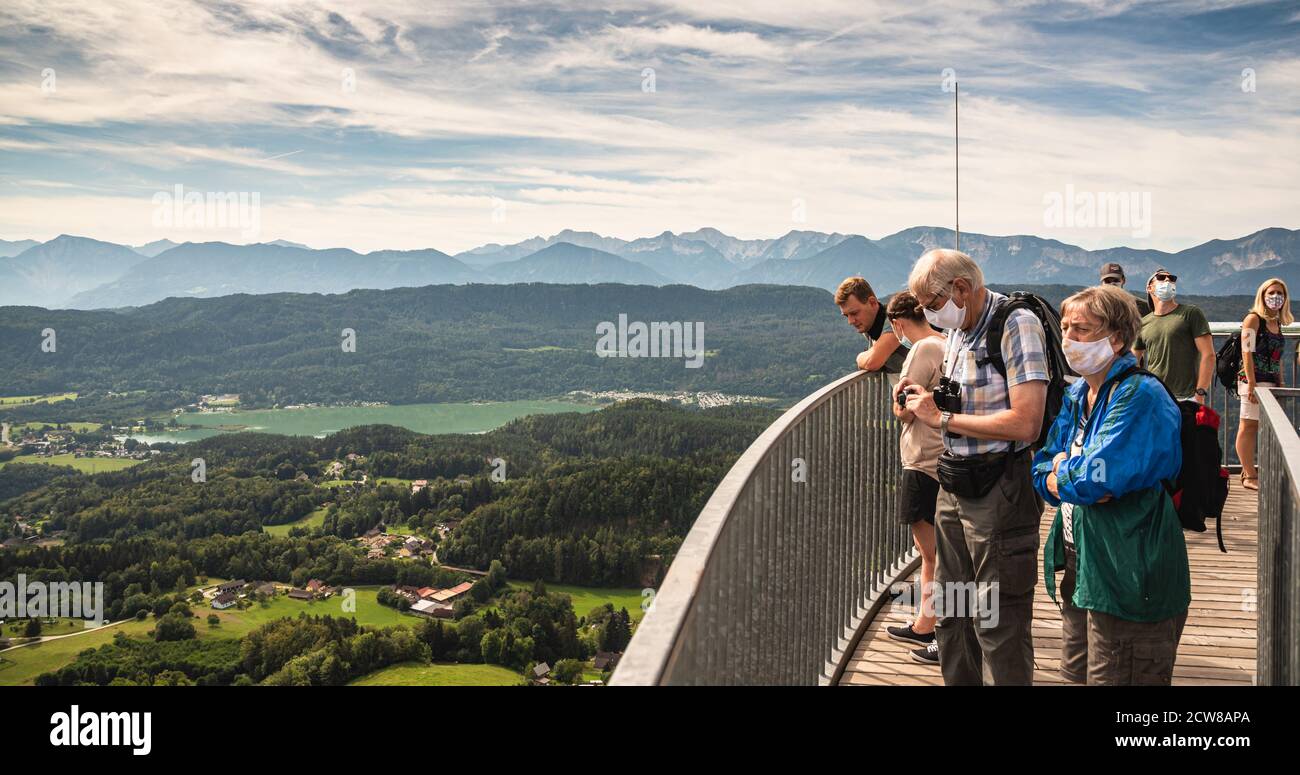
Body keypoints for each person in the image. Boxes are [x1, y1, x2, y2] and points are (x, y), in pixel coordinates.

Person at [897, 249, 1049, 686]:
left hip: (999, 485)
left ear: (961, 289)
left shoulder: (1016, 324)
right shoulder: (960, 328)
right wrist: (925, 398)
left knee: (997, 618)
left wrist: (940, 418)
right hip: (955, 481)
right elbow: (967, 397)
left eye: (931, 303)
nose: (927, 313)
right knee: (953, 609)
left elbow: (1026, 421)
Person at [1033, 284, 1190, 685]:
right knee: (1076, 675)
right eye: (1065, 327)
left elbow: (1092, 478)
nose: (1068, 338)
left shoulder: (1140, 395)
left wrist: (1064, 472)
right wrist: (1062, 474)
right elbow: (1039, 468)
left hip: (1130, 572)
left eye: (1081, 329)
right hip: (1079, 562)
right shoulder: (1076, 394)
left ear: (1116, 337)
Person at [882, 291, 947, 665]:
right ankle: (926, 622)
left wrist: (897, 401)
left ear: (898, 323)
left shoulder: (922, 349)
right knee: (934, 552)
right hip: (943, 458)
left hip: (923, 461)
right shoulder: (945, 343)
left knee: (932, 552)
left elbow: (905, 411)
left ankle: (940, 629)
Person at [1235, 278, 1291, 491]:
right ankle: (1249, 474)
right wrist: (1251, 383)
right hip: (1253, 380)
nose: (1276, 297)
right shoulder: (1253, 319)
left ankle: (1250, 470)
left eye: (1280, 293)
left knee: (1264, 427)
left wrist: (1281, 381)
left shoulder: (1277, 323)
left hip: (1272, 382)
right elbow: (1246, 351)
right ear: (1263, 295)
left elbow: (1277, 357)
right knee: (1248, 424)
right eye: (1272, 292)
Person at [1133, 268, 1215, 403]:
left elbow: (1209, 354)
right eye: (1160, 278)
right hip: (1155, 396)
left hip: (1186, 397)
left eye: (1171, 279)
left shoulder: (1191, 313)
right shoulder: (1144, 323)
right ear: (1149, 288)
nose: (1167, 280)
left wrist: (1200, 392)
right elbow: (1133, 360)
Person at [835, 276, 908, 373]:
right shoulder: (870, 327)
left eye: (854, 313)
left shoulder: (895, 320)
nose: (850, 321)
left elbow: (872, 362)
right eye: (846, 315)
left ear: (872, 303)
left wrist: (860, 357)